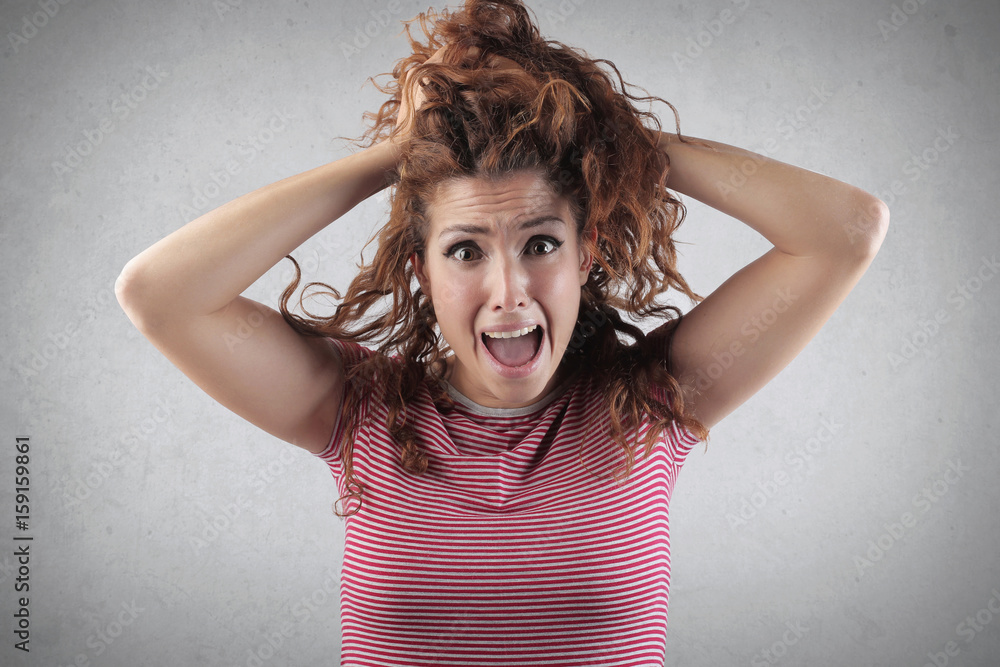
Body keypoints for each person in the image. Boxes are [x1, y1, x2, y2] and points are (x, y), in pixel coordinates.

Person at [115, 0, 888, 664]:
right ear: (421, 268)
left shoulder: (653, 402)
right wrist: (398, 155)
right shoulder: (358, 411)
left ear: (586, 252)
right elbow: (159, 295)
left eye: (541, 243)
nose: (509, 290)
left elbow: (847, 230)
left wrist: (612, 134)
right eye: (465, 250)